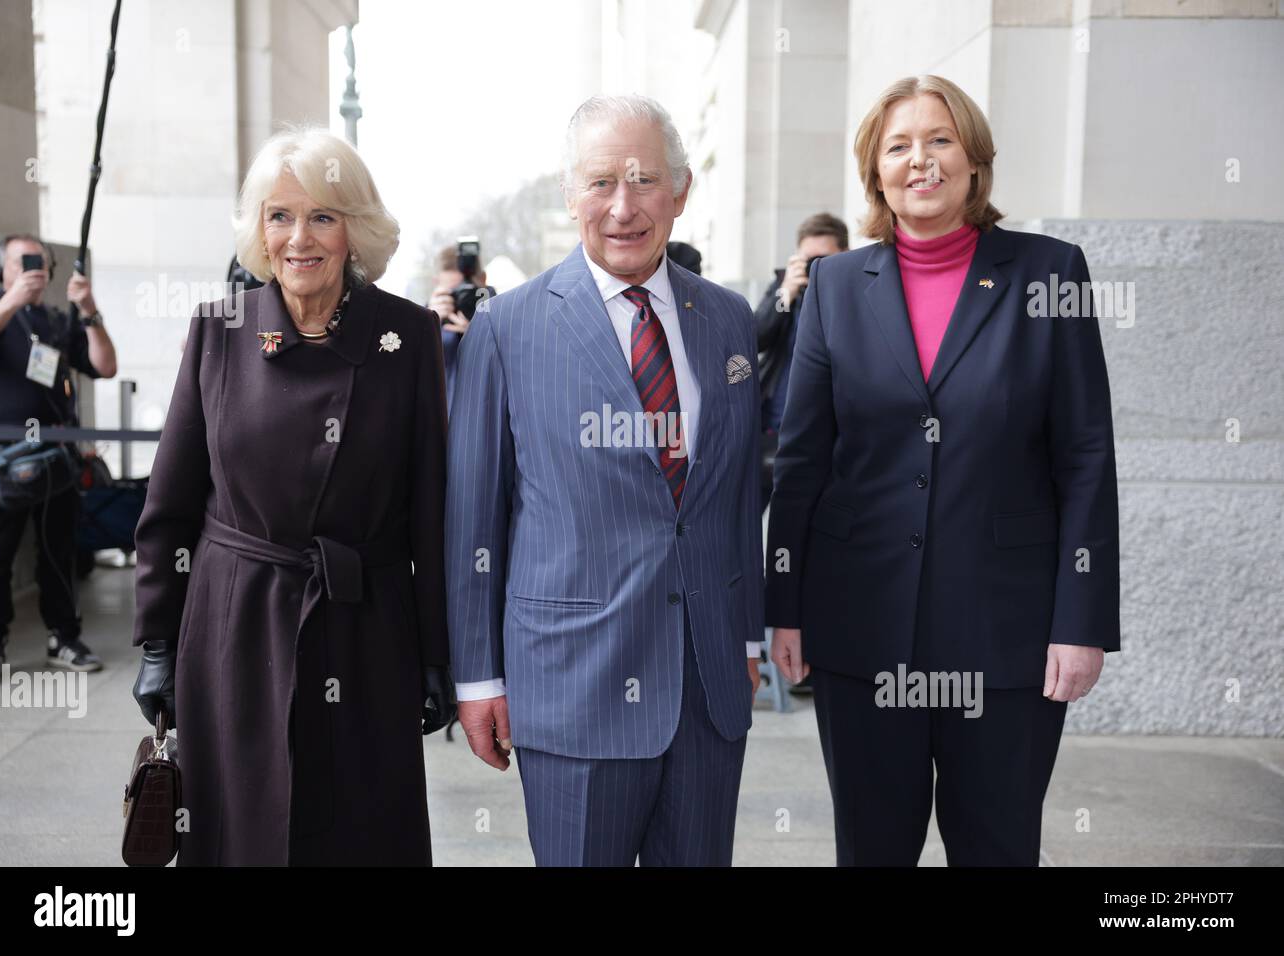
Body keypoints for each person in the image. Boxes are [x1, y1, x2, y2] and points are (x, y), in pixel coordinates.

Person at [765, 75, 1120, 866]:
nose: (919, 160)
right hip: (860, 633)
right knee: (872, 849)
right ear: (875, 171)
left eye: (939, 140)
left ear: (974, 160)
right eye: (898, 146)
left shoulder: (1049, 273)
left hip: (1007, 640)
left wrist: (1081, 620)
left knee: (997, 849)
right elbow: (802, 459)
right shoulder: (832, 287)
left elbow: (1086, 455)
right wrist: (784, 606)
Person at [446, 94, 764, 866]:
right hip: (572, 687)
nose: (623, 207)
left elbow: (737, 495)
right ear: (569, 193)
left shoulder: (728, 319)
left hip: (706, 687)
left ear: (681, 193)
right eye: (600, 183)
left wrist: (748, 632)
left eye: (645, 180)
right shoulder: (507, 326)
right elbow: (472, 518)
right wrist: (478, 676)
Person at [130, 127, 455, 865]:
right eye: (279, 216)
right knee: (244, 831)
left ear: (356, 231)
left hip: (364, 634)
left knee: (356, 834)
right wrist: (157, 640)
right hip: (235, 630)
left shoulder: (407, 336)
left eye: (323, 216)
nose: (298, 238)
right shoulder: (219, 333)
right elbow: (170, 504)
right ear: (258, 231)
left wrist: (436, 654)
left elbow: (430, 512)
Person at [0, 235, 118, 675]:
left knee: (59, 551)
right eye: (21, 261)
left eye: (38, 261)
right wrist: (11, 301)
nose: (31, 268)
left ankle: (64, 638)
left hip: (55, 457)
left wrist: (89, 309)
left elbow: (104, 366)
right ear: (0, 268)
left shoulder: (58, 321)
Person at [754, 213, 849, 508]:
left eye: (825, 260)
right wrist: (787, 294)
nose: (816, 269)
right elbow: (754, 338)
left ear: (845, 256)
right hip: (772, 426)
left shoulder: (853, 291)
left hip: (825, 436)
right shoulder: (786, 288)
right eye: (810, 261)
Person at [427, 243, 491, 409]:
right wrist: (429, 322)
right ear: (436, 283)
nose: (462, 300)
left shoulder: (502, 314)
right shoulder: (424, 320)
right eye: (455, 293)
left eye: (468, 291)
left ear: (483, 280)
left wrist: (479, 334)